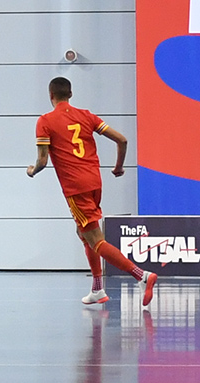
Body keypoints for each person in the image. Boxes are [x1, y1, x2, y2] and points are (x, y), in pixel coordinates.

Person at [27, 77, 159, 306]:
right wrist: (118, 167)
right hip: (95, 182)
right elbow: (122, 140)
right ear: (71, 94)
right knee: (83, 233)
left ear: (51, 95)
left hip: (75, 187)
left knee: (95, 239)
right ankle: (98, 288)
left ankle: (141, 275)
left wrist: (32, 171)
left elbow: (42, 160)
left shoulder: (45, 121)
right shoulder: (86, 116)